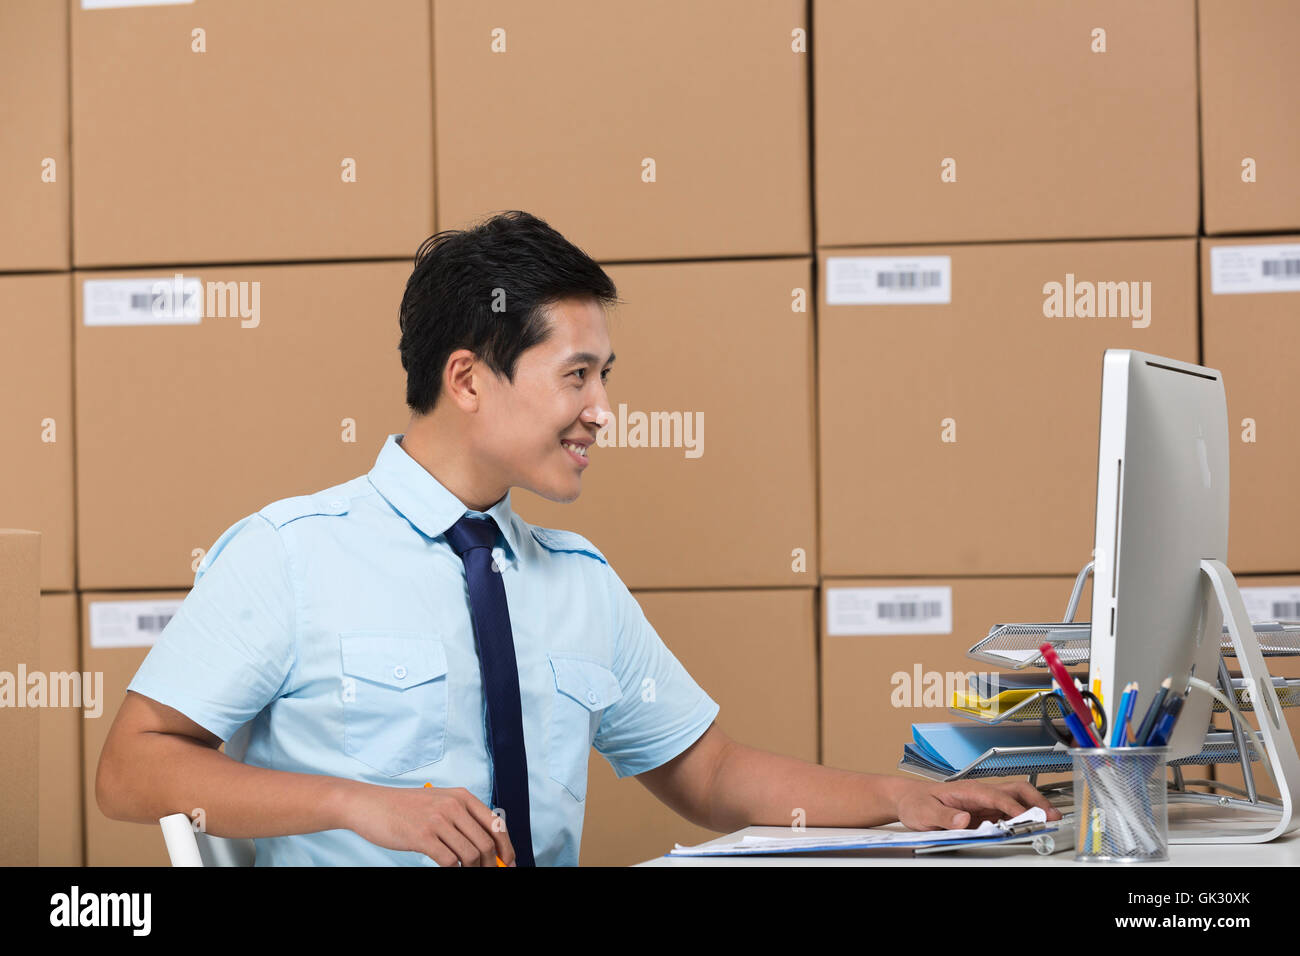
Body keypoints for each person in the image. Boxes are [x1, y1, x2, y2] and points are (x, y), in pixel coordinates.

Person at [95, 210, 1060, 866]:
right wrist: (356, 802)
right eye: (578, 376)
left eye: (607, 377)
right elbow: (133, 768)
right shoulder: (291, 554)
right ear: (469, 378)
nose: (603, 410)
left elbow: (709, 772)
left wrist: (898, 798)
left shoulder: (576, 584)